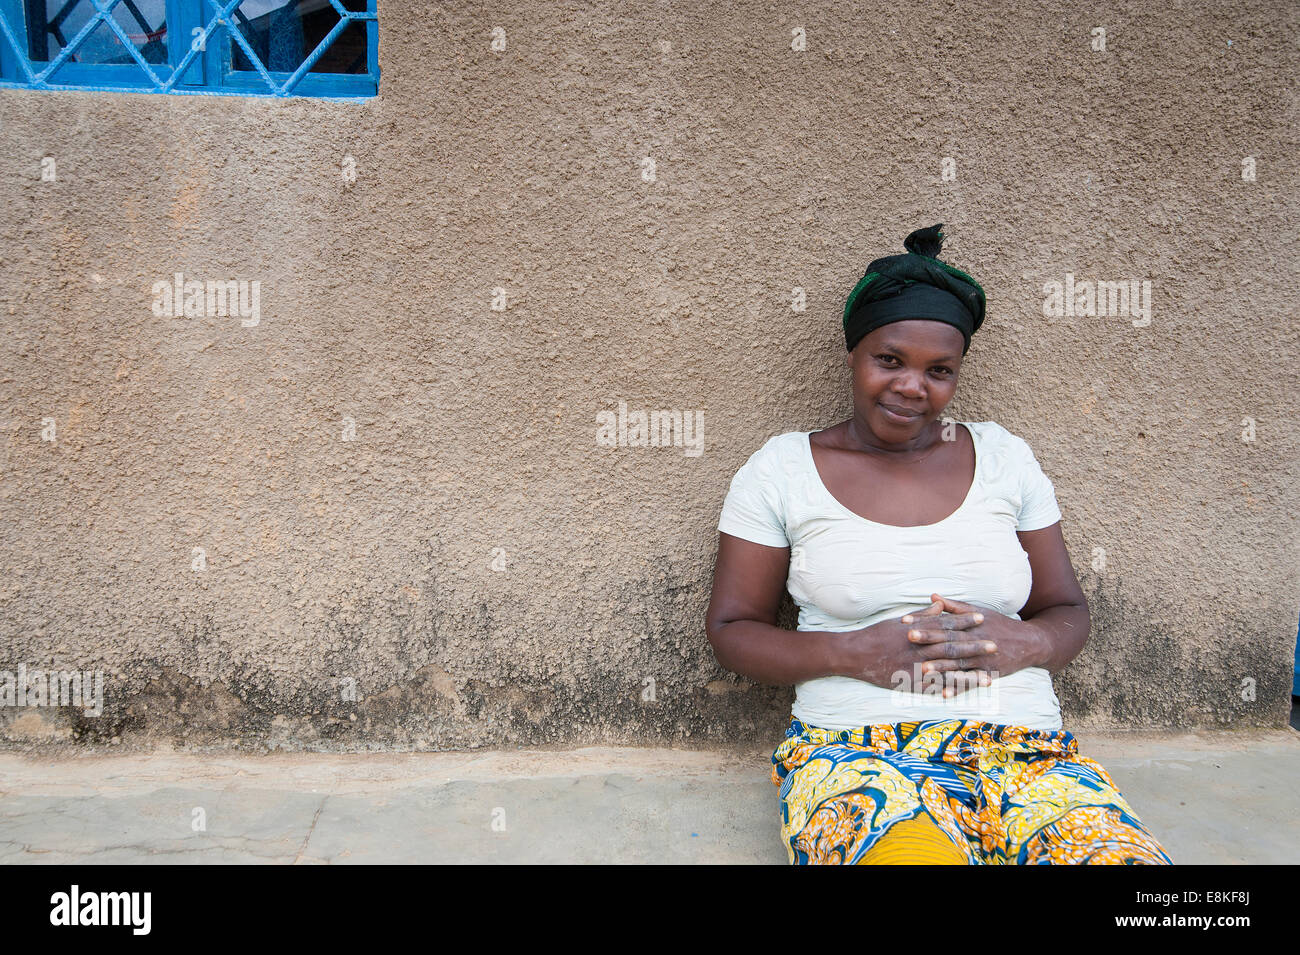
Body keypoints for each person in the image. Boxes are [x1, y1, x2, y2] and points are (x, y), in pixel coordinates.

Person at [704, 224, 1172, 865]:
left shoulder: (1005, 457)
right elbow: (734, 629)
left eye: (939, 371)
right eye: (889, 360)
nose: (911, 387)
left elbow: (1067, 607)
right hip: (855, 754)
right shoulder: (782, 469)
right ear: (853, 354)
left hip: (1030, 753)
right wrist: (852, 652)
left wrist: (1028, 642)